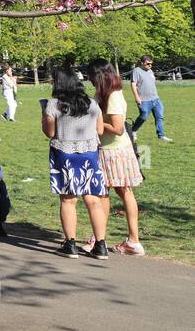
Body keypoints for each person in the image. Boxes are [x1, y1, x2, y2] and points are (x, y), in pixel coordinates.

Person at [42, 65, 108, 259]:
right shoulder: (91, 103)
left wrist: (43, 117)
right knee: (93, 199)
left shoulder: (54, 104)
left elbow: (50, 133)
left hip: (64, 153)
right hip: (89, 154)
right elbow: (101, 131)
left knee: (68, 199)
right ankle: (101, 244)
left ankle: (70, 244)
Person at [90, 61, 145, 256]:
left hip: (114, 151)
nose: (90, 80)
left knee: (107, 193)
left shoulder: (113, 96)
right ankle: (126, 240)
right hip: (110, 149)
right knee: (119, 192)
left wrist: (97, 123)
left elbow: (118, 128)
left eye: (92, 76)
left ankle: (105, 238)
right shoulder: (103, 93)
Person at [130, 55, 173, 142]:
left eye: (151, 64)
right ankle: (133, 130)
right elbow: (133, 84)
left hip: (155, 99)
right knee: (144, 116)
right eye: (148, 63)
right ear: (142, 63)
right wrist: (137, 97)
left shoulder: (150, 71)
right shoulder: (136, 71)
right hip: (144, 100)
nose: (150, 65)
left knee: (160, 117)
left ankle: (161, 135)